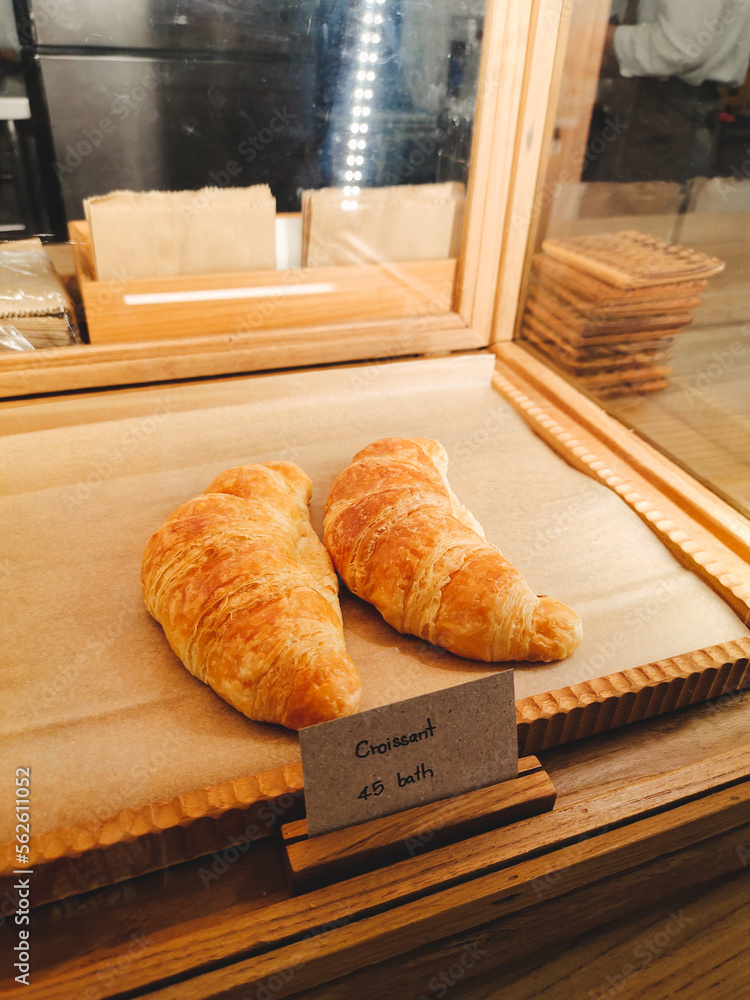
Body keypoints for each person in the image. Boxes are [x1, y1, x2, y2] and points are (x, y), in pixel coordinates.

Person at [586, 0, 750, 183]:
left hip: (662, 110)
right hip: (664, 105)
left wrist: (592, 36)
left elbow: (679, 48)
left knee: (626, 205)